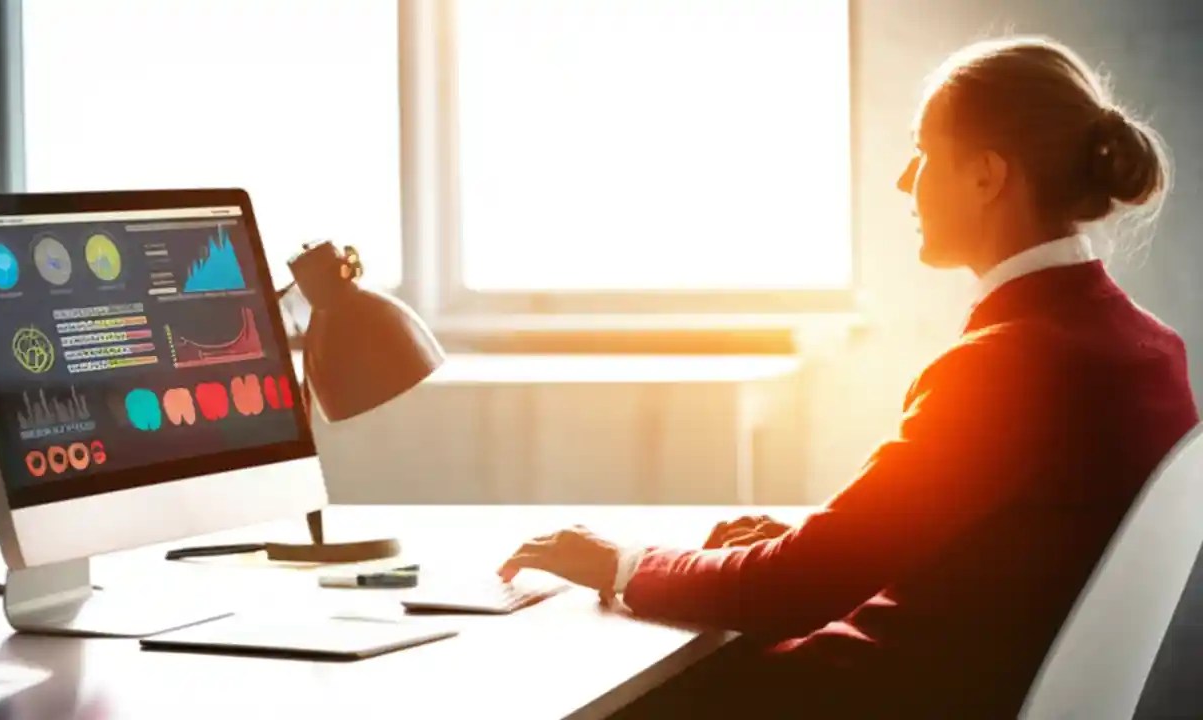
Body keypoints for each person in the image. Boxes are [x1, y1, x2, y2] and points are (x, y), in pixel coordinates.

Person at [498, 35, 1199, 718]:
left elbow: (795, 590)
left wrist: (627, 564)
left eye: (923, 152)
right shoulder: (1151, 349)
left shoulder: (1006, 363)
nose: (904, 180)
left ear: (987, 175)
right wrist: (801, 548)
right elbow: (1005, 554)